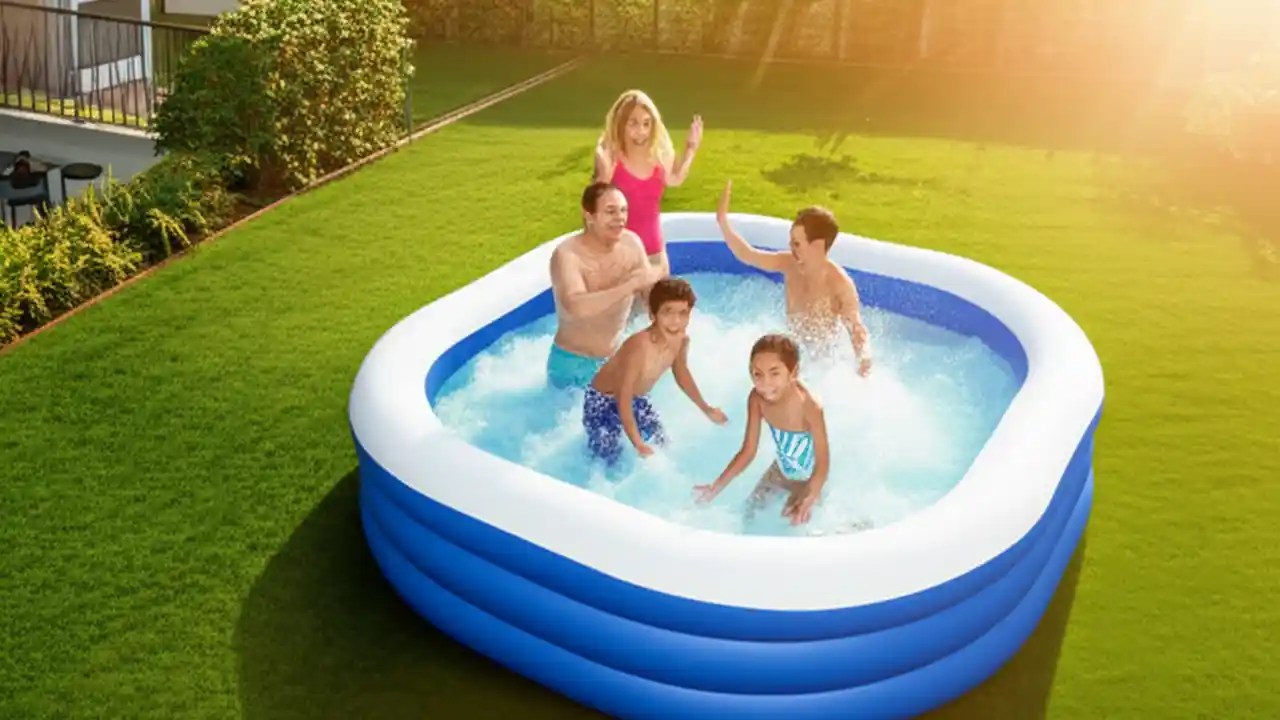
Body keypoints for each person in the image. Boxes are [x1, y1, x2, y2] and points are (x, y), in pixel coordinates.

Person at [716, 180, 873, 377]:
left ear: (817, 246)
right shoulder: (788, 263)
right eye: (791, 242)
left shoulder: (839, 284)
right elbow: (747, 254)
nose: (791, 248)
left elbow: (856, 328)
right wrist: (723, 222)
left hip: (820, 364)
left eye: (797, 243)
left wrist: (864, 358)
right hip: (792, 352)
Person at [583, 276, 727, 465]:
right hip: (603, 400)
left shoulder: (681, 341)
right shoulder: (639, 345)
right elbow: (623, 393)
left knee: (662, 445)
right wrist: (637, 442)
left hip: (636, 399)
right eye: (668, 312)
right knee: (608, 458)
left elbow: (681, 373)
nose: (676, 321)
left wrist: (705, 408)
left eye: (683, 313)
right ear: (652, 314)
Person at [695, 334, 830, 526]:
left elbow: (822, 463)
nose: (765, 383)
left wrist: (811, 495)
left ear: (793, 372)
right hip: (780, 471)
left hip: (809, 480)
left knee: (795, 526)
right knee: (748, 514)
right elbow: (748, 451)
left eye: (774, 373)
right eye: (757, 374)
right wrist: (715, 488)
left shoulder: (809, 406)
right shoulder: (757, 399)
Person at [548, 182, 664, 389]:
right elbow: (576, 306)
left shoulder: (632, 243)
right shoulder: (567, 255)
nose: (620, 218)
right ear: (589, 215)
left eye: (623, 210)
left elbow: (649, 294)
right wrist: (630, 285)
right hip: (573, 363)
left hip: (615, 357)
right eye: (610, 211)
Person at [593, 89, 703, 284]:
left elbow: (676, 179)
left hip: (656, 258)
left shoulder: (659, 157)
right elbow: (593, 208)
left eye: (646, 123)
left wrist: (691, 148)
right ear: (621, 124)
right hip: (619, 260)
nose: (641, 132)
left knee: (663, 305)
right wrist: (603, 174)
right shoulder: (611, 157)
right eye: (633, 123)